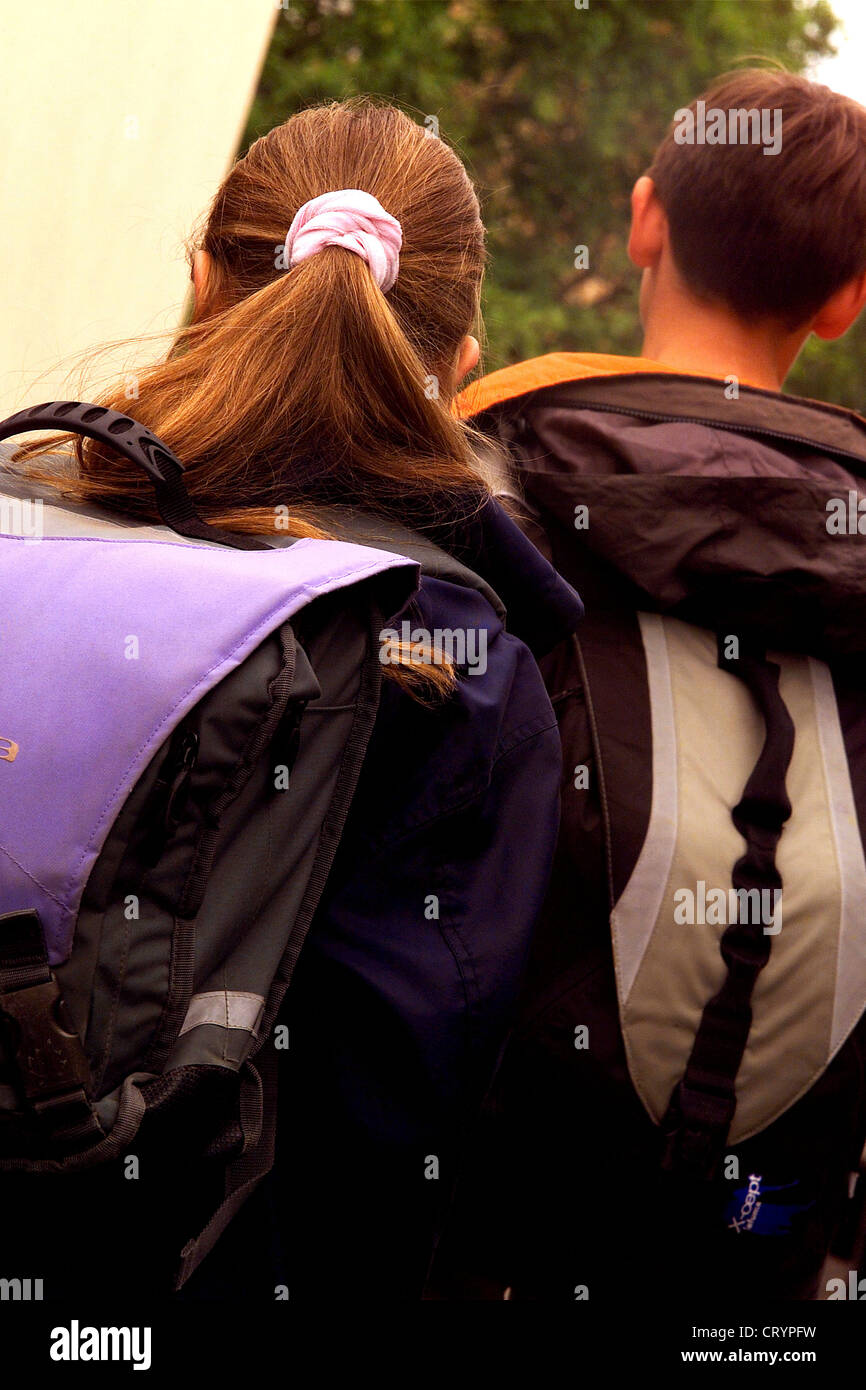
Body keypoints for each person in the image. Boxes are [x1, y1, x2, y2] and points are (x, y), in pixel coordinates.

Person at [2, 98, 583, 1300]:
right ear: (460, 364)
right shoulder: (456, 657)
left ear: (203, 278)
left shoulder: (22, 519)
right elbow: (380, 1132)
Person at [436, 68, 866, 1302]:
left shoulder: (490, 483)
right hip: (760, 1226)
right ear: (842, 302)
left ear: (641, 219)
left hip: (491, 1198)